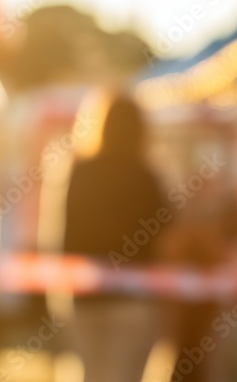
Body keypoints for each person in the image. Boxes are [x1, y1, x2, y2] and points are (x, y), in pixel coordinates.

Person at [63, 91, 165, 382]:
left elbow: (65, 238)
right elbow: (164, 235)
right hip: (134, 298)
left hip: (85, 296)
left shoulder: (80, 172)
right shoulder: (146, 177)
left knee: (90, 373)